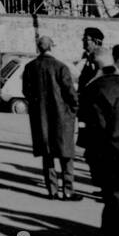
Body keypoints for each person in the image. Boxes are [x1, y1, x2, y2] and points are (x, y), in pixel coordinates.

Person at [79, 47, 119, 236]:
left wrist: (88, 153)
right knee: (115, 200)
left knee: (116, 200)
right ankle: (106, 235)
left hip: (109, 154)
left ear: (92, 64)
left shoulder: (93, 89)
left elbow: (93, 129)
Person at [22, 35, 80, 200]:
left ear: (38, 48)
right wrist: (73, 110)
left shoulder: (30, 67)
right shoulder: (61, 67)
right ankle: (68, 190)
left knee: (47, 154)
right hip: (62, 116)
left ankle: (52, 190)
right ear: (51, 47)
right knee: (66, 154)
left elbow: (26, 92)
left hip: (41, 117)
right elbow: (71, 93)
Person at [78, 27, 105, 94]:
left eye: (86, 38)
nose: (83, 40)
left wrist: (88, 85)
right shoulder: (87, 55)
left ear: (95, 41)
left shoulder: (100, 54)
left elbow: (101, 73)